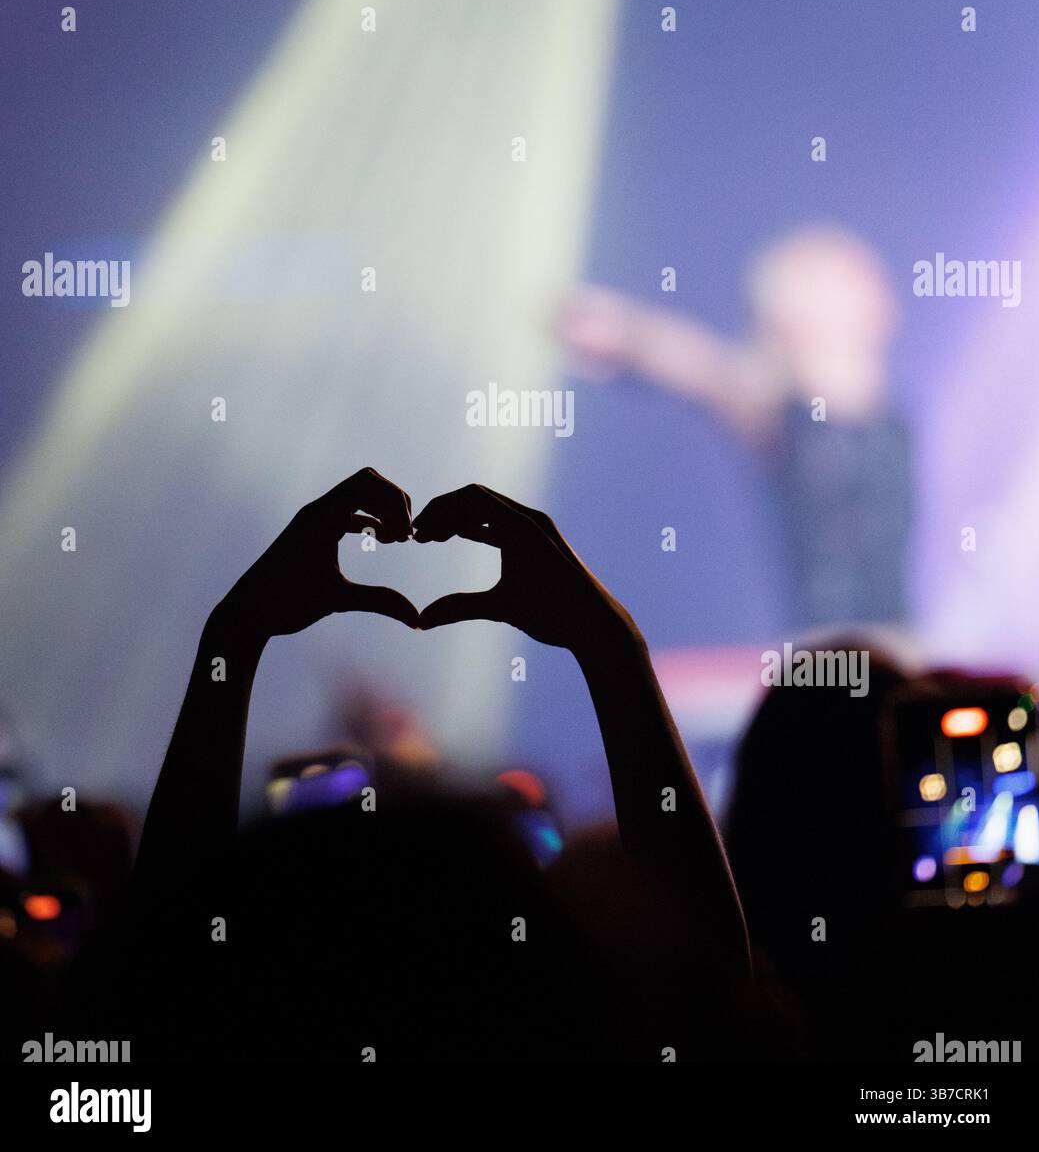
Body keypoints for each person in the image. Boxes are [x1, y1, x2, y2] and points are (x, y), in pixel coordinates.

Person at [123, 468, 753, 1060]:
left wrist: (234, 637)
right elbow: (710, 993)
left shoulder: (239, 1016)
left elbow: (156, 970)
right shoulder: (556, 1026)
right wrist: (612, 649)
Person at [558, 222, 913, 629]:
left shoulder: (884, 416)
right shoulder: (780, 409)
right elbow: (701, 365)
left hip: (896, 646)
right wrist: (627, 334)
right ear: (795, 323)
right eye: (835, 282)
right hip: (834, 654)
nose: (872, 287)